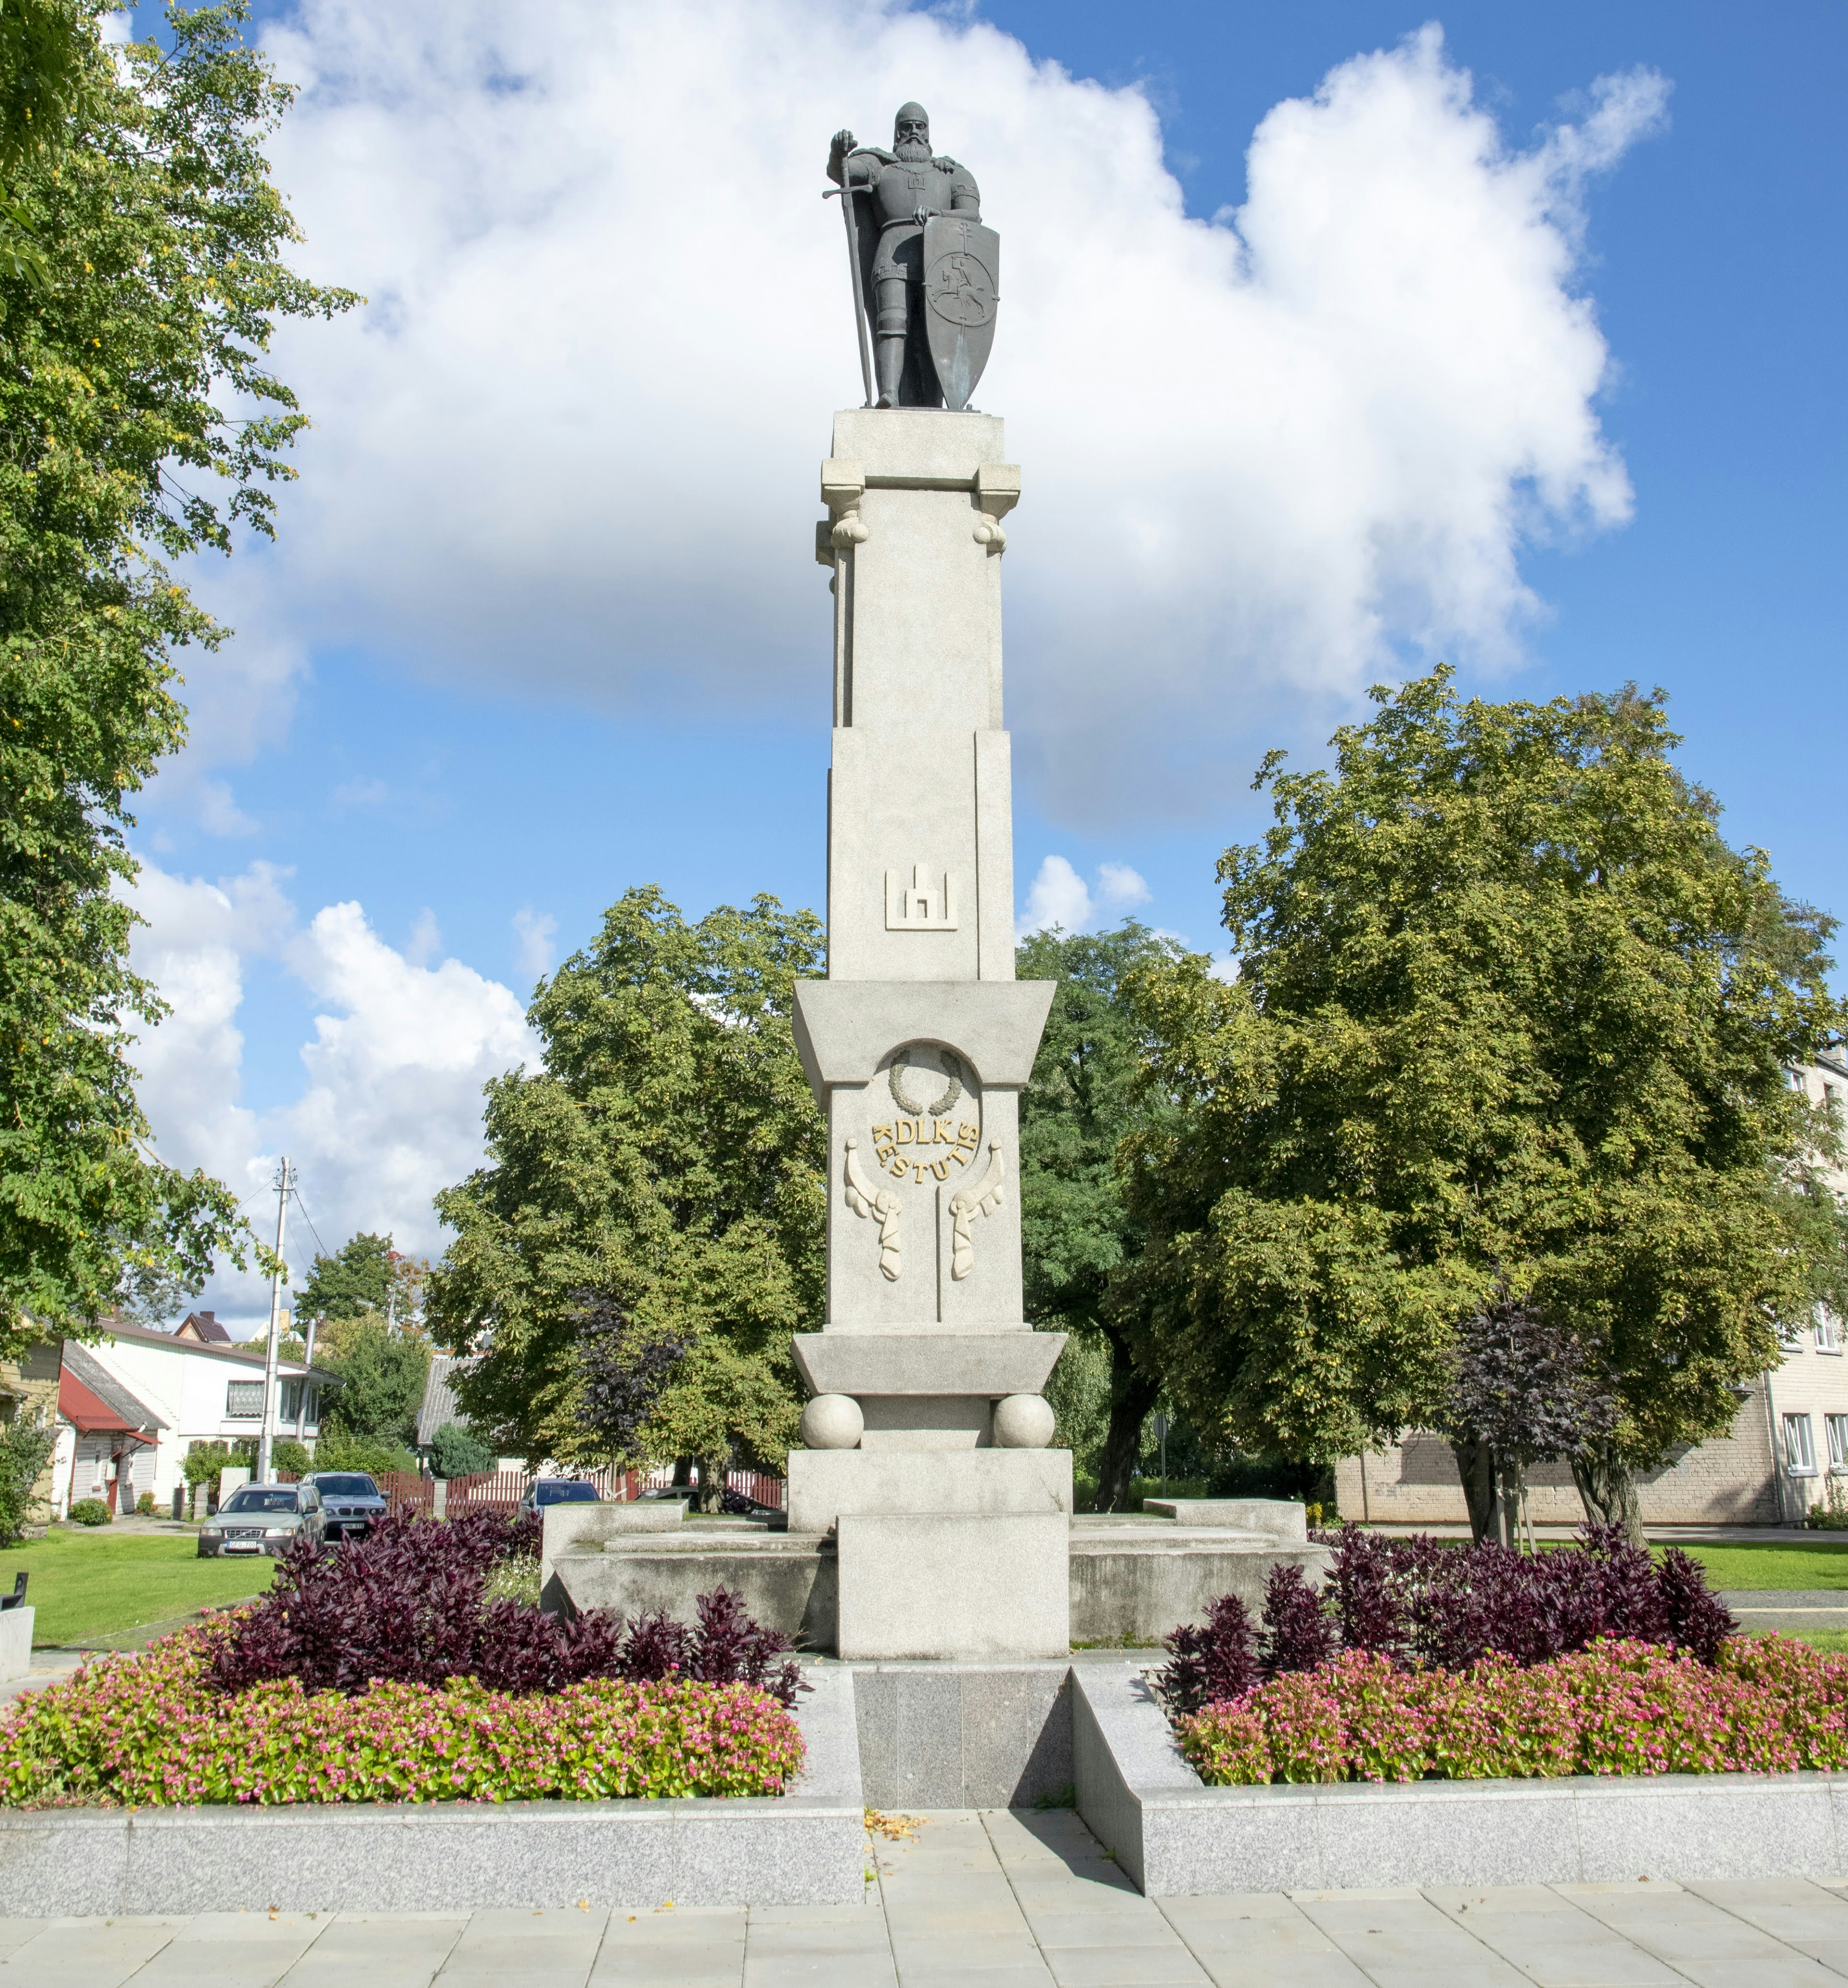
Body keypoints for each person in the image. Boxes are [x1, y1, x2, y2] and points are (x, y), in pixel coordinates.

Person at [827, 104, 982, 408]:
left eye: (920, 128)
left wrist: (940, 214)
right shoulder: (880, 165)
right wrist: (839, 151)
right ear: (897, 133)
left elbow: (973, 215)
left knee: (936, 330)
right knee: (892, 322)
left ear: (928, 132)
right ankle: (889, 394)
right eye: (907, 127)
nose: (914, 133)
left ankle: (939, 400)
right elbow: (842, 173)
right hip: (892, 252)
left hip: (938, 256)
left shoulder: (951, 173)